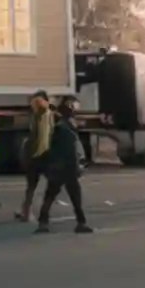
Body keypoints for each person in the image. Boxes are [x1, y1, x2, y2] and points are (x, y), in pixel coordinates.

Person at [35, 99, 94, 234]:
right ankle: (81, 223)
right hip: (67, 169)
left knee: (49, 197)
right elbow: (71, 153)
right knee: (75, 197)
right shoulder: (67, 131)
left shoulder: (56, 129)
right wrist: (77, 167)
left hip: (56, 169)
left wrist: (46, 168)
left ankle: (43, 223)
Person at [15, 90, 53, 222]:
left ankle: (26, 211)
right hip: (40, 155)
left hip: (37, 155)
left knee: (33, 186)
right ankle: (28, 211)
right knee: (47, 185)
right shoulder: (43, 115)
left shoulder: (39, 115)